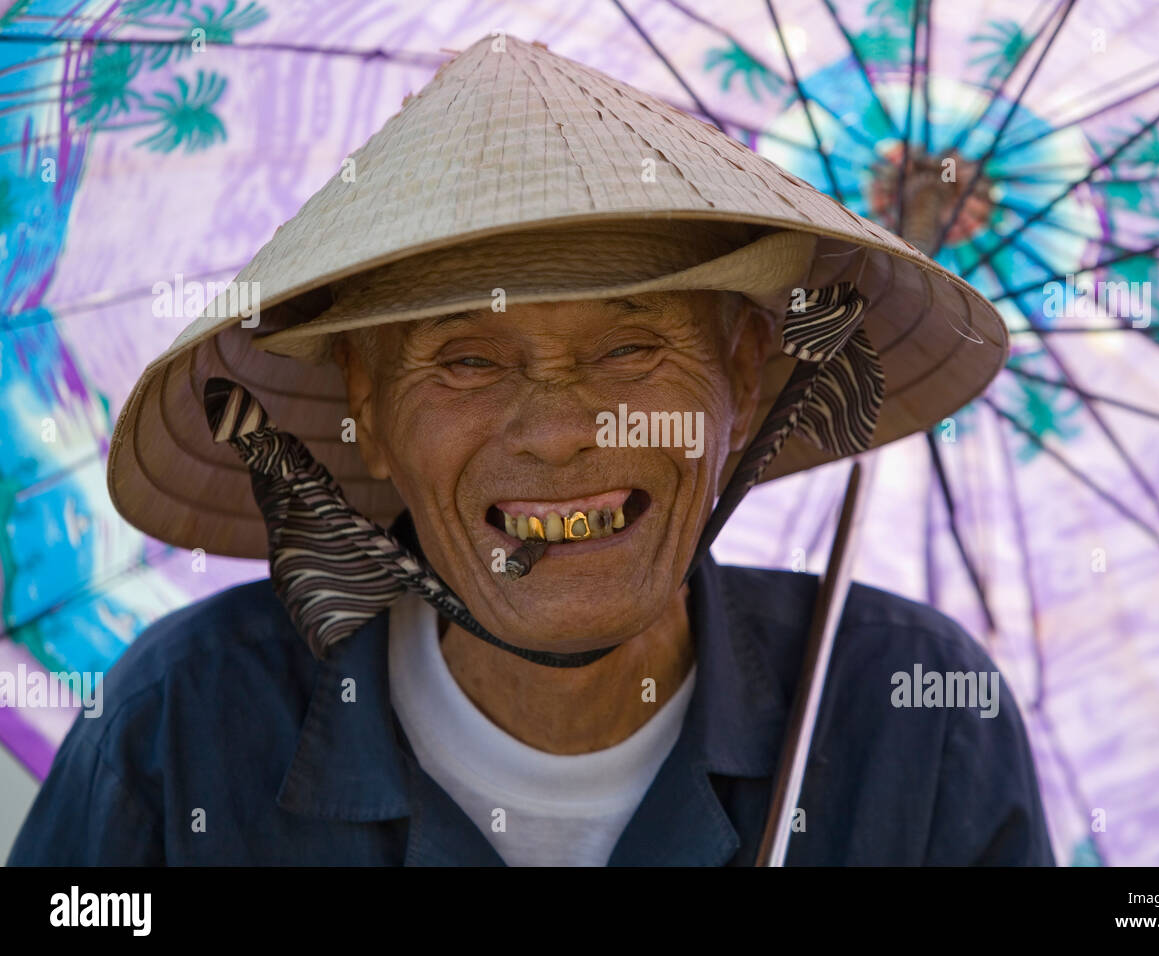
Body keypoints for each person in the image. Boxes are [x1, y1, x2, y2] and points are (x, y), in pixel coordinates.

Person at [8, 33, 1053, 866]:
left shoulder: (910, 720)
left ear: (743, 373)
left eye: (632, 347)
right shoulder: (183, 725)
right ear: (364, 404)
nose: (559, 432)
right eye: (467, 361)